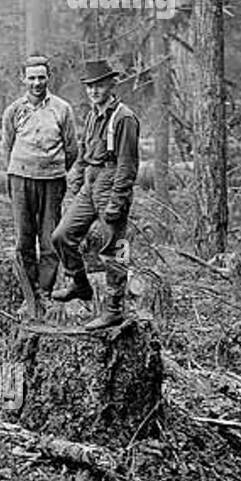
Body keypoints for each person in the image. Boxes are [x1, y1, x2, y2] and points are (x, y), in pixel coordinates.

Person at [51, 59, 141, 330]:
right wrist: (75, 182)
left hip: (111, 183)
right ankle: (79, 284)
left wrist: (118, 199)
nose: (94, 90)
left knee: (115, 249)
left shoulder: (123, 118)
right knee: (62, 236)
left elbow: (128, 164)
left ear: (111, 84)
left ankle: (114, 308)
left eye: (99, 85)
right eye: (90, 86)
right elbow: (82, 154)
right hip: (91, 183)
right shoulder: (92, 115)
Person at [0, 55, 79, 315]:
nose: (36, 83)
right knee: (24, 238)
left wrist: (54, 169)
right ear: (23, 79)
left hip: (52, 181)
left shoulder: (61, 109)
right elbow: (7, 146)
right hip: (20, 178)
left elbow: (71, 149)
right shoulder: (14, 110)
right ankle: (29, 294)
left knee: (49, 239)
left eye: (41, 77)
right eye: (31, 77)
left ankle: (45, 292)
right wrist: (16, 172)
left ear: (48, 78)